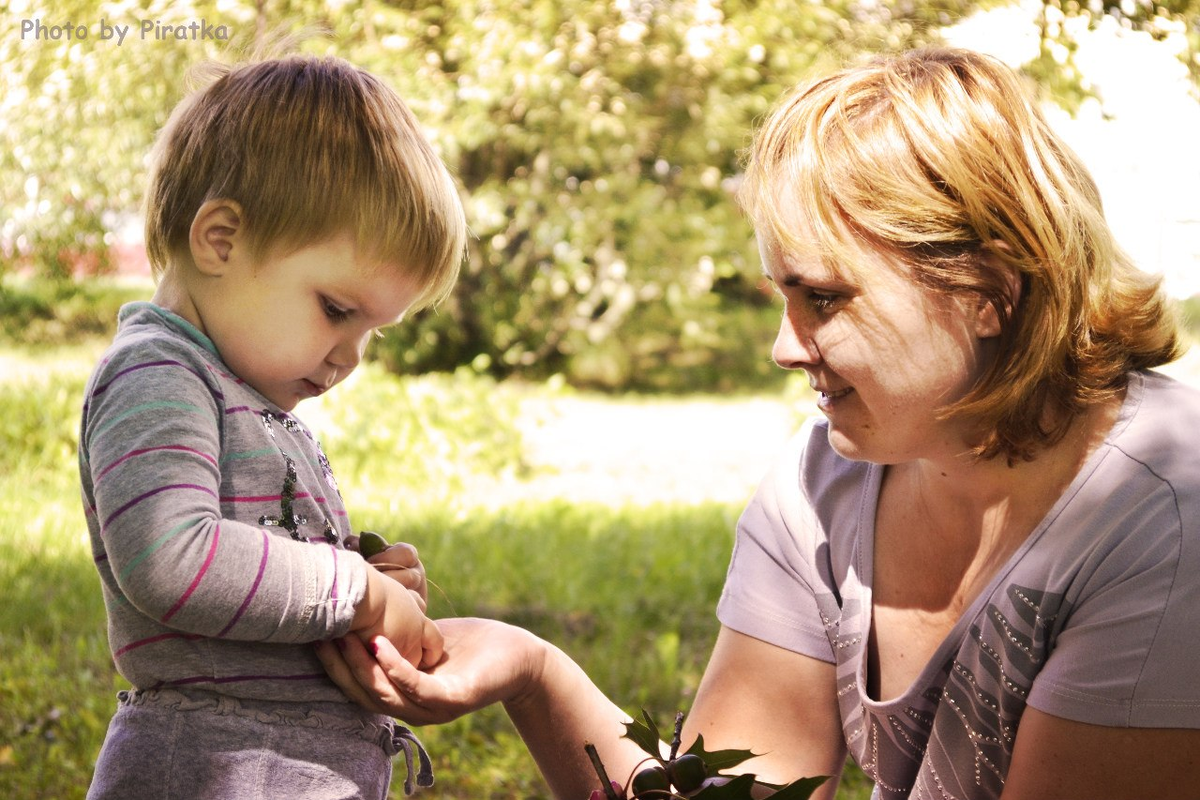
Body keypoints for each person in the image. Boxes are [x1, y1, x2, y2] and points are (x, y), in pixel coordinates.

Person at [316, 47, 1200, 799]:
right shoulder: (824, 486)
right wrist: (531, 670)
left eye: (823, 297)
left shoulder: (1159, 514)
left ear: (989, 291)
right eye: (782, 295)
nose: (784, 347)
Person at [79, 52, 467, 799]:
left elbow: (262, 557)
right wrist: (348, 589)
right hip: (216, 765)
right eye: (337, 310)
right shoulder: (158, 376)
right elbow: (172, 560)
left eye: (374, 332)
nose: (350, 356)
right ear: (220, 239)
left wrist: (367, 573)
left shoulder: (240, 389)